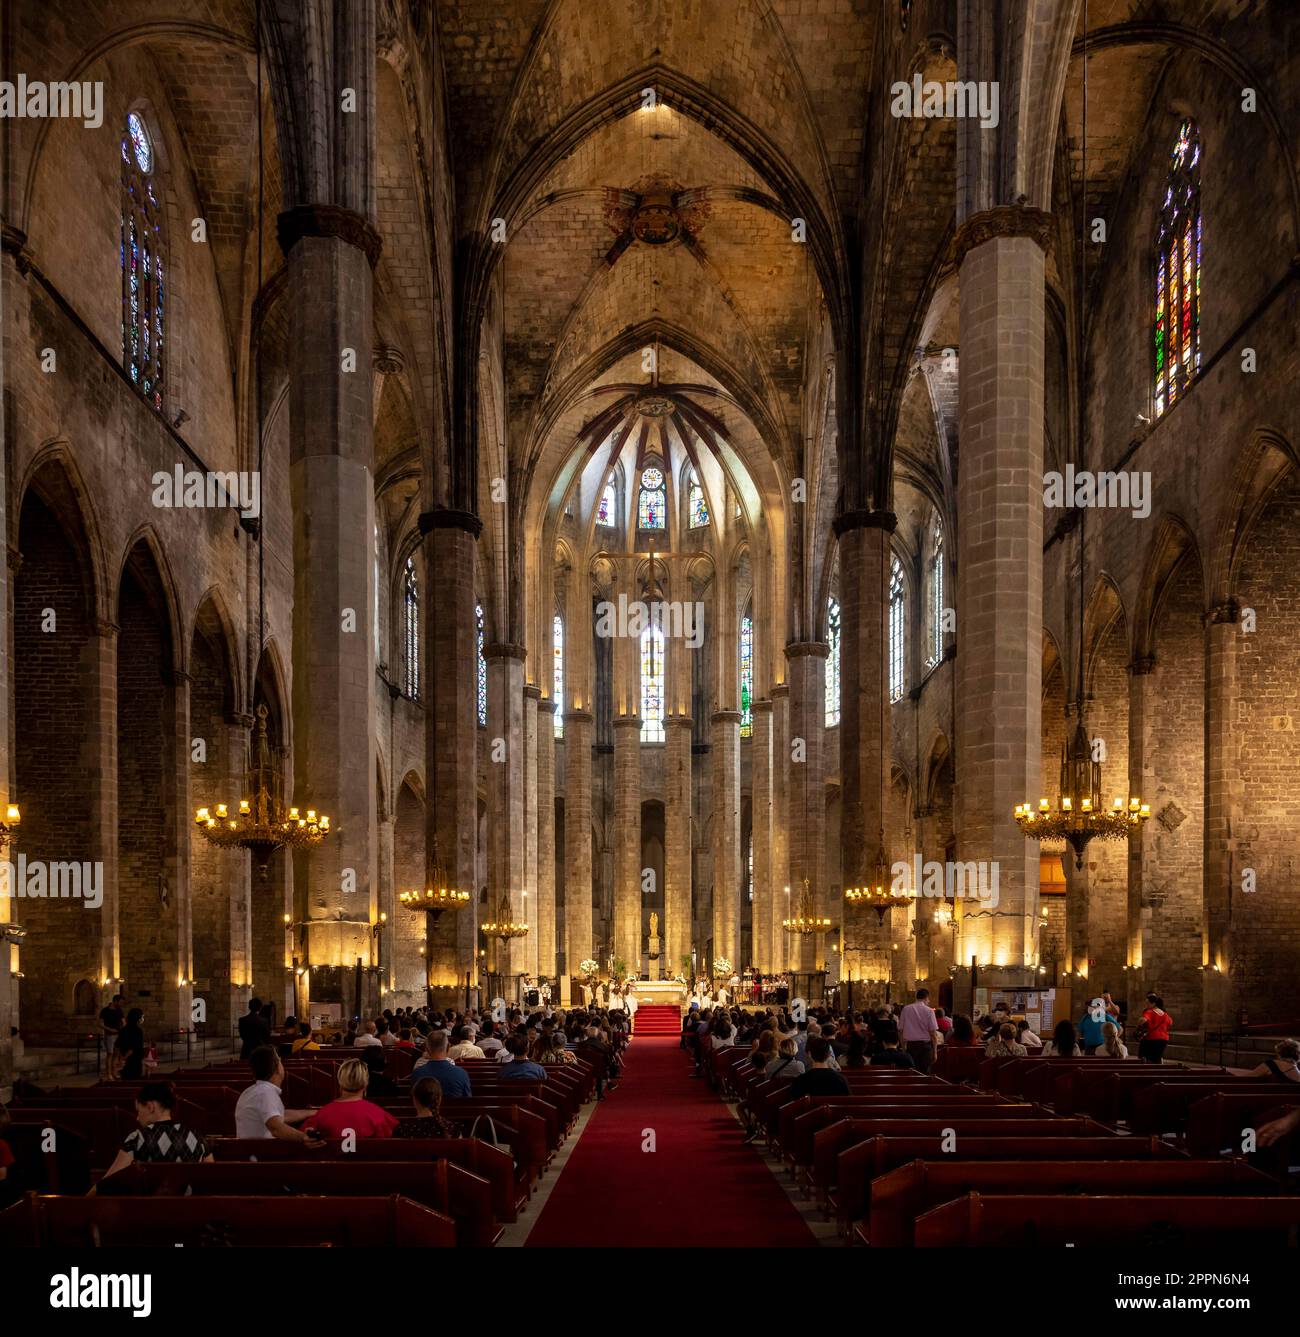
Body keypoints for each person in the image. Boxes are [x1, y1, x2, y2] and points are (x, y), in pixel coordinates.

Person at [100, 1081, 212, 1182]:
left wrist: (86, 1199)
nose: (137, 1118)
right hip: (190, 1205)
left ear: (150, 1106)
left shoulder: (138, 1138)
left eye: (138, 1111)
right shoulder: (197, 1136)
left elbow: (108, 1182)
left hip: (148, 1205)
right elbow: (211, 1177)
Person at [234, 1046, 319, 1141]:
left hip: (249, 1151)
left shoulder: (252, 1091)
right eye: (280, 1061)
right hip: (262, 1153)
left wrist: (313, 1113)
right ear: (278, 1068)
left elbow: (280, 1116)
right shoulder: (265, 1093)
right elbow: (276, 1128)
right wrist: (303, 1137)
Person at [302, 1059, 398, 1140]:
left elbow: (303, 1140)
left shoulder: (320, 1115)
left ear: (339, 1082)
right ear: (366, 1084)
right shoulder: (379, 1115)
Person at [410, 1030, 472, 1098]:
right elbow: (467, 1101)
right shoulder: (462, 1074)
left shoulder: (417, 1074)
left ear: (427, 1049)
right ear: (448, 1047)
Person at [899, 988, 940, 1074]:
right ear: (926, 998)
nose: (928, 1002)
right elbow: (933, 1034)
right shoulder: (929, 1011)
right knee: (925, 1074)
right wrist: (935, 1052)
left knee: (912, 1073)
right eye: (928, 999)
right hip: (925, 1047)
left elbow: (900, 1030)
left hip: (911, 1046)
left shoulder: (906, 1009)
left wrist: (903, 1048)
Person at [1136, 994, 1173, 1063]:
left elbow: (1143, 1020)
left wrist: (1138, 1024)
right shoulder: (1164, 1013)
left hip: (1152, 1039)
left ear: (1153, 1004)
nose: (1146, 1005)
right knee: (1157, 1058)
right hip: (1164, 1039)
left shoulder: (1150, 1011)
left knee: (1146, 1059)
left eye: (1147, 1003)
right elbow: (1170, 1023)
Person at [116, 1007, 147, 1081]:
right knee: (135, 1081)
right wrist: (124, 1058)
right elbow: (133, 1047)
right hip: (134, 1061)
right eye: (142, 1017)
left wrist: (121, 1058)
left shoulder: (123, 1029)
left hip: (125, 1059)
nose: (142, 1019)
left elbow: (117, 1045)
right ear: (138, 1018)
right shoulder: (138, 1031)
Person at [99, 995, 126, 1079]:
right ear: (115, 1001)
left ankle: (114, 1073)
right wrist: (110, 1029)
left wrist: (124, 1031)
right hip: (109, 1035)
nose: (121, 1004)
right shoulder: (105, 1011)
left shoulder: (119, 1010)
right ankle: (108, 1074)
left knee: (116, 1055)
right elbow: (100, 1024)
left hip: (118, 1035)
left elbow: (124, 1022)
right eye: (120, 1002)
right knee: (110, 1055)